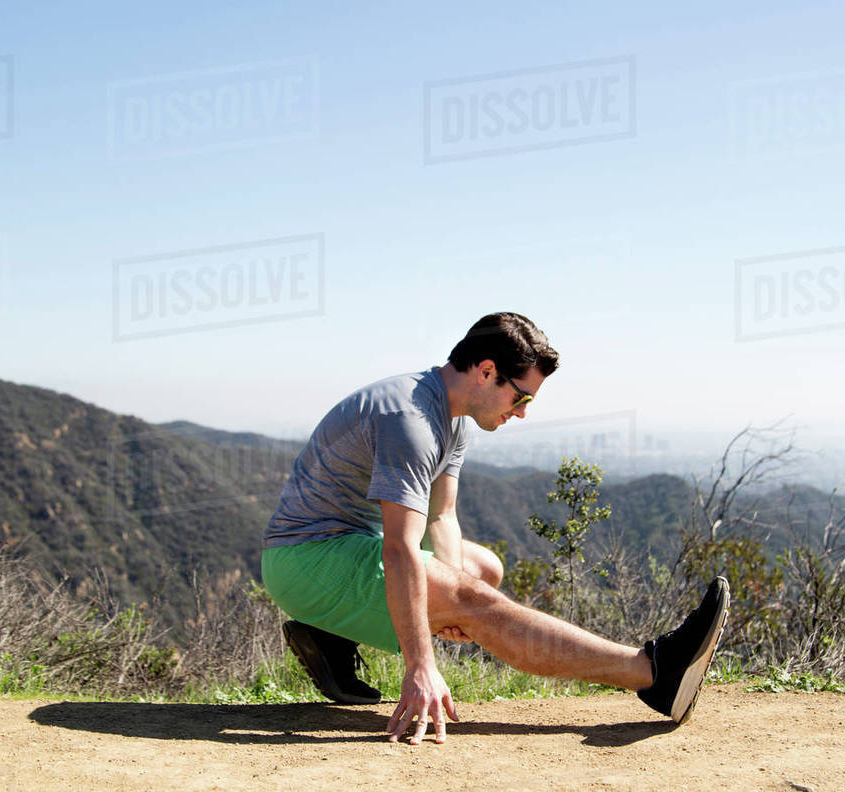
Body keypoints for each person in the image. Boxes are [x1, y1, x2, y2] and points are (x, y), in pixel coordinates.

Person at [262, 312, 730, 744]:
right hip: (303, 558)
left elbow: (442, 517)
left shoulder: (454, 416)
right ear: (486, 371)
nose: (523, 411)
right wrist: (421, 662)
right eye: (520, 396)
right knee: (473, 599)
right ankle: (653, 673)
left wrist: (453, 594)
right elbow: (402, 550)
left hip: (350, 543)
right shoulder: (411, 421)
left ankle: (328, 634)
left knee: (482, 571)